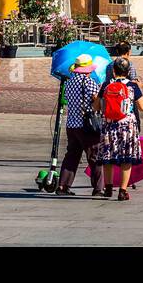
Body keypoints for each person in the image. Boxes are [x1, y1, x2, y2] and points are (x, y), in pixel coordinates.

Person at [97, 57, 143, 200]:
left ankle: (108, 188)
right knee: (126, 158)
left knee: (108, 156)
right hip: (127, 126)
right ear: (128, 71)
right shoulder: (132, 86)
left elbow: (97, 106)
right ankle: (123, 191)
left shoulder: (106, 85)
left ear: (113, 71)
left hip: (109, 125)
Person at [57, 54, 103, 196]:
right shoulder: (89, 82)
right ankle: (98, 188)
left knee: (71, 155)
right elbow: (97, 102)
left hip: (72, 124)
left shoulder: (69, 82)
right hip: (86, 125)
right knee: (95, 156)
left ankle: (63, 186)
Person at [103, 41, 141, 130]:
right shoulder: (129, 64)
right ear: (128, 52)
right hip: (126, 98)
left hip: (112, 98)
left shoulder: (110, 65)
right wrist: (140, 84)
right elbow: (133, 82)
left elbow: (108, 81)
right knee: (134, 120)